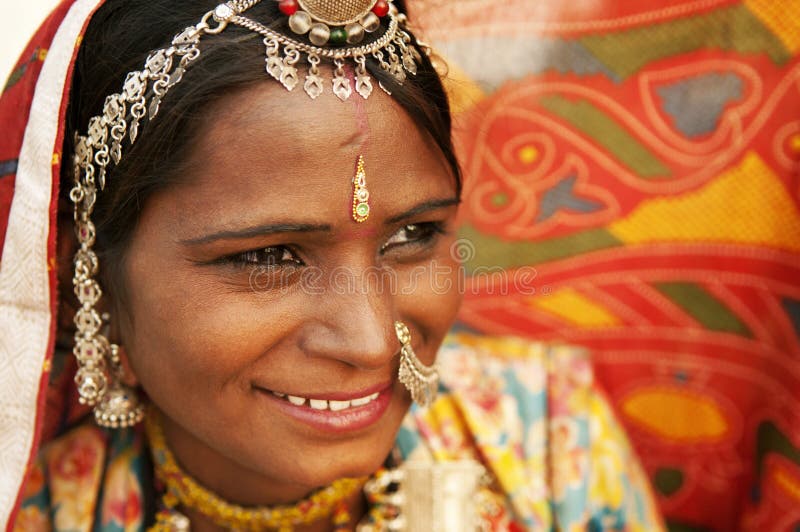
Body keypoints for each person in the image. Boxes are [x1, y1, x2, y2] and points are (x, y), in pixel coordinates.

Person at [0, 0, 664, 530]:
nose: (372, 343)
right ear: (85, 273)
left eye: (413, 235)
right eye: (268, 256)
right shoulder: (33, 507)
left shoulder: (548, 441)